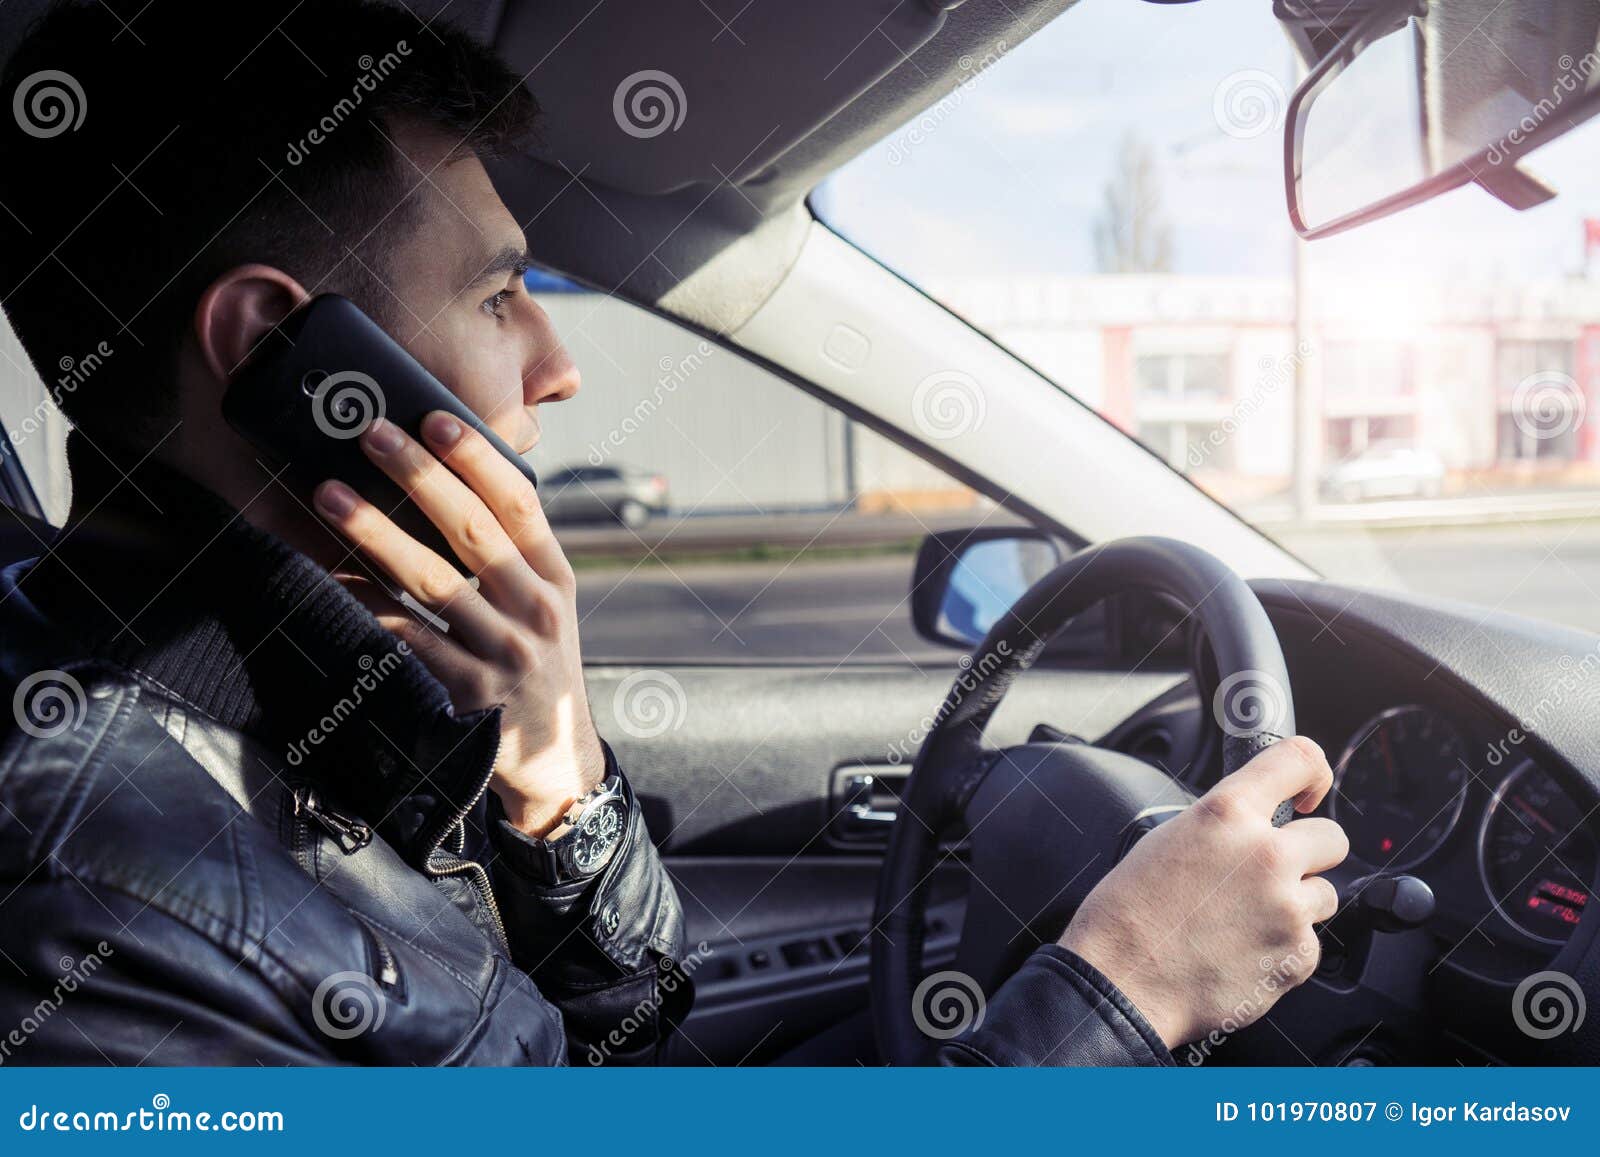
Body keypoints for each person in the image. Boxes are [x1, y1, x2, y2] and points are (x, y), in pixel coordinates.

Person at [0, 0, 1345, 1065]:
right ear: (274, 354)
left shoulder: (327, 703)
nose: (558, 363)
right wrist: (1121, 990)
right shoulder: (98, 908)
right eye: (500, 291)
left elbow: (626, 1047)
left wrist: (552, 771)